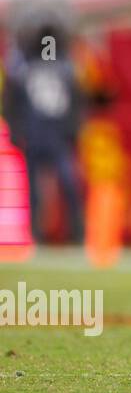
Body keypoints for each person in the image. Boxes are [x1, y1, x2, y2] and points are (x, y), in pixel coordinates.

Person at [2, 24, 85, 244]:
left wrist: (73, 130)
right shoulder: (25, 69)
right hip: (36, 133)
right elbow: (12, 102)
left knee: (67, 183)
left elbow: (77, 102)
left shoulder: (63, 68)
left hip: (55, 135)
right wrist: (16, 130)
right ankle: (38, 233)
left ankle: (75, 232)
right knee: (37, 188)